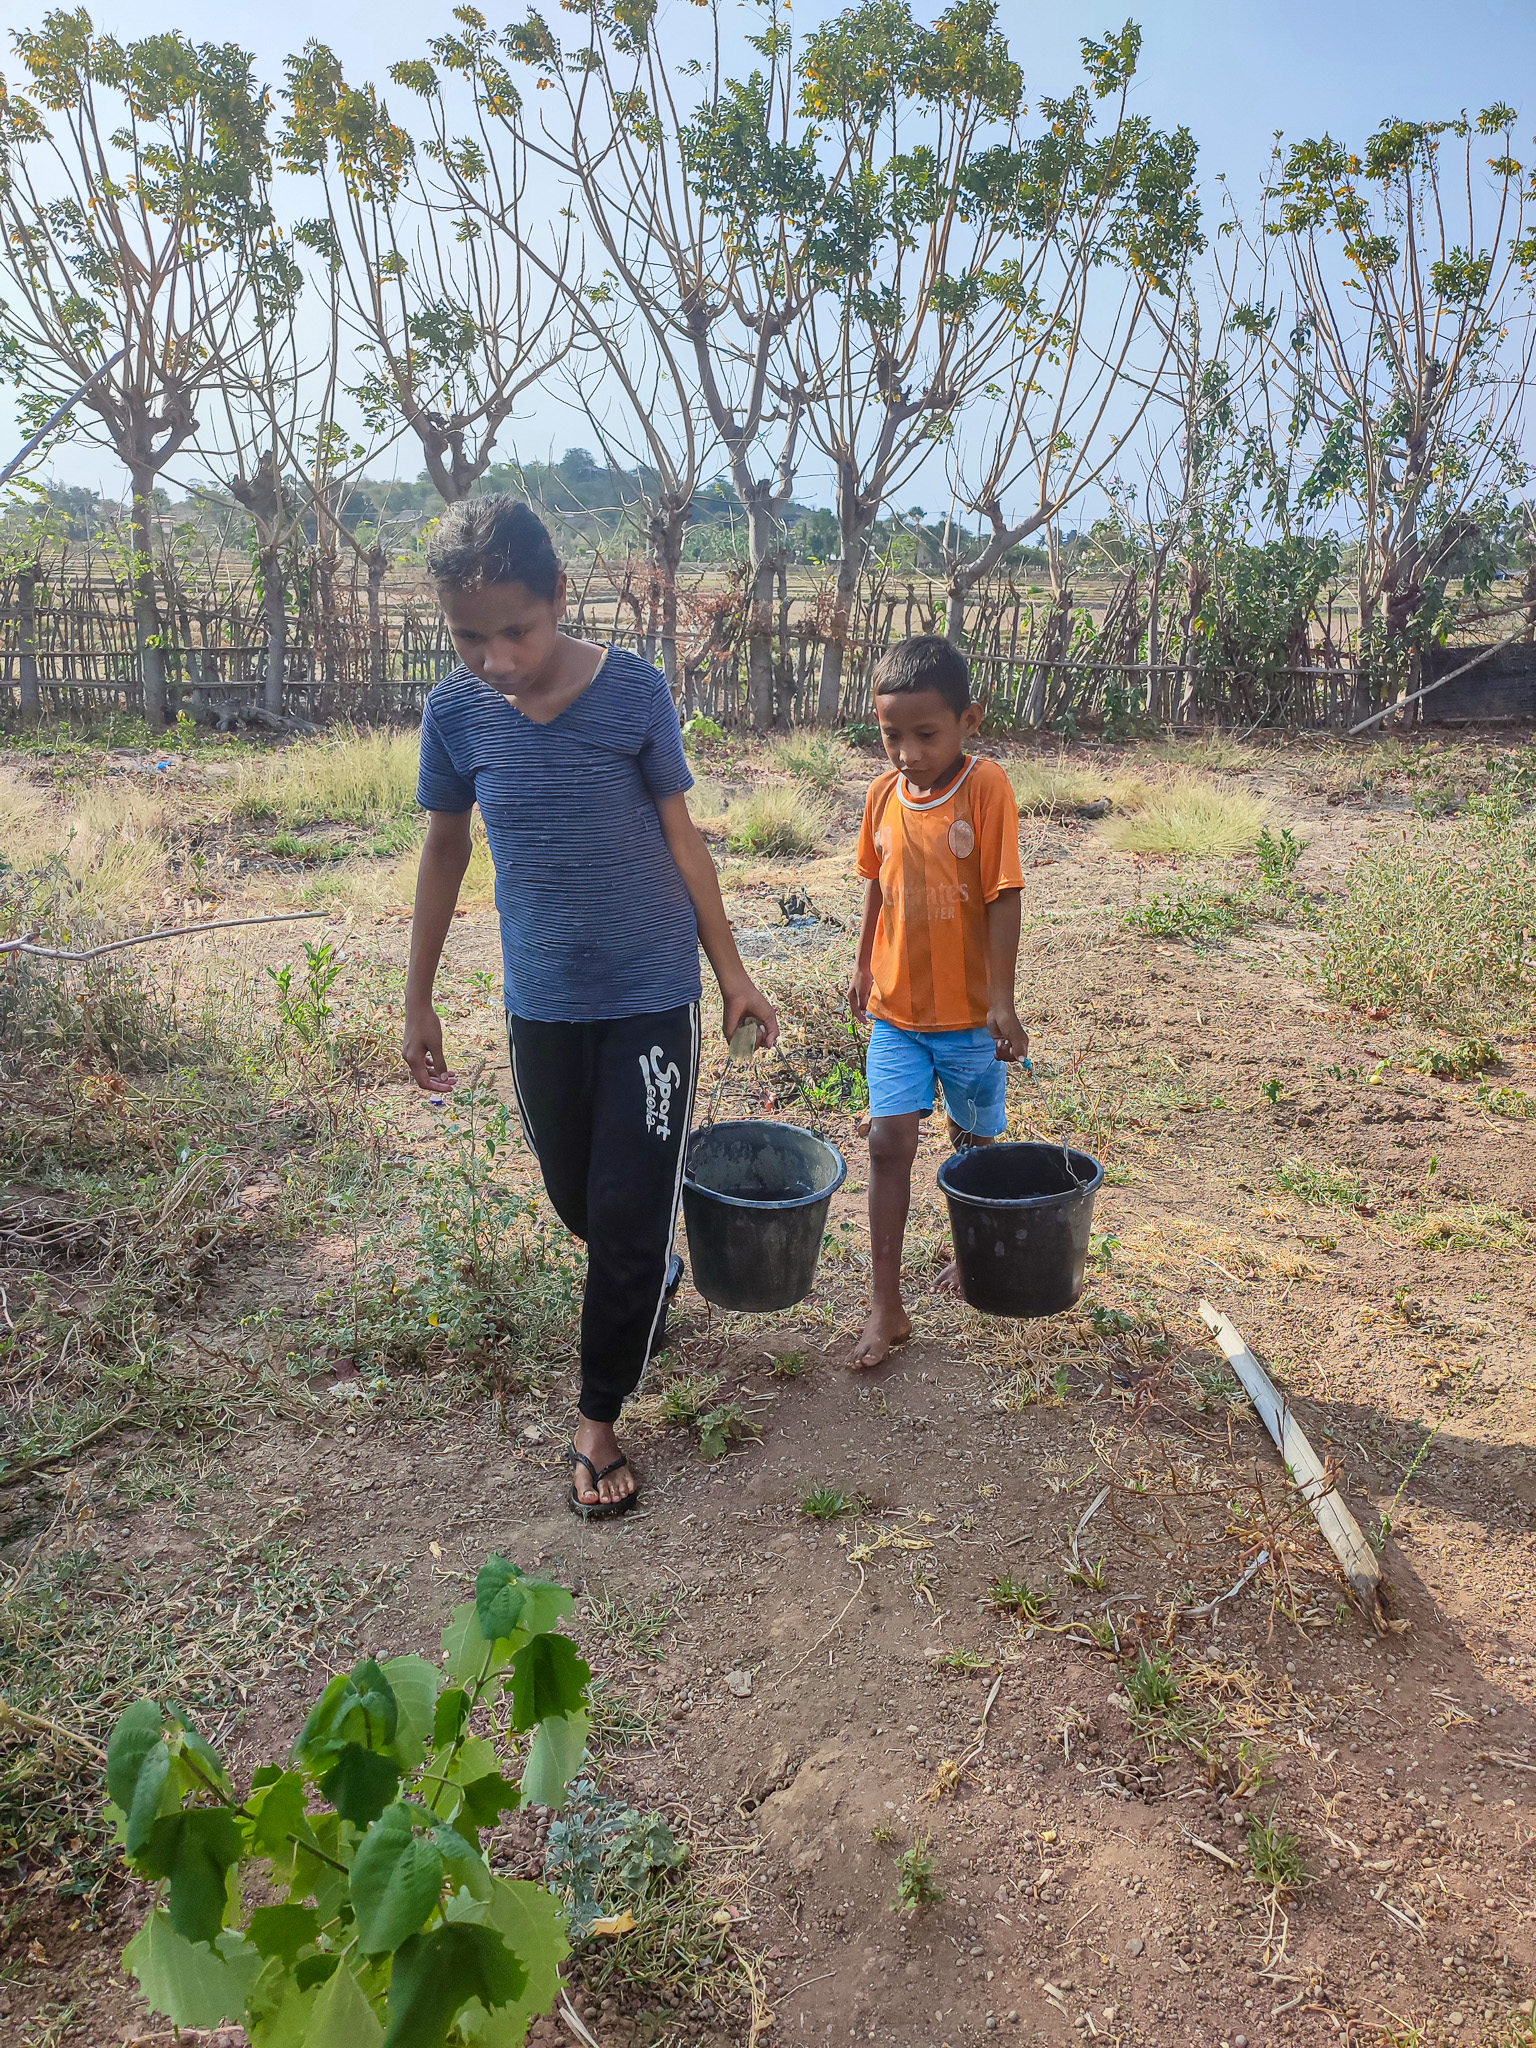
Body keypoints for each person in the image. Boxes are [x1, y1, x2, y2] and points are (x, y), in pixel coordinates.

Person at [402, 497, 779, 1517]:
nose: (496, 657)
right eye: (469, 635)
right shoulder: (456, 715)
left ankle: (598, 1418)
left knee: (620, 1207)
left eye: (514, 629)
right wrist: (419, 996)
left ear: (559, 597)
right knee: (583, 1199)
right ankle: (654, 1269)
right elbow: (444, 850)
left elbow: (683, 836)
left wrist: (734, 971)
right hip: (545, 1003)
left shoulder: (633, 694)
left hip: (653, 994)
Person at [846, 635, 1028, 1368]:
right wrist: (862, 965)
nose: (909, 753)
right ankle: (886, 1306)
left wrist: (1003, 1001)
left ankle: (970, 1254)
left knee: (975, 1145)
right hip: (897, 1015)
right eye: (893, 735)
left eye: (926, 734)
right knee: (889, 1143)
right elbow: (874, 884)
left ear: (968, 720)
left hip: (969, 1020)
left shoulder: (986, 788)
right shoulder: (882, 796)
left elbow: (1003, 894)